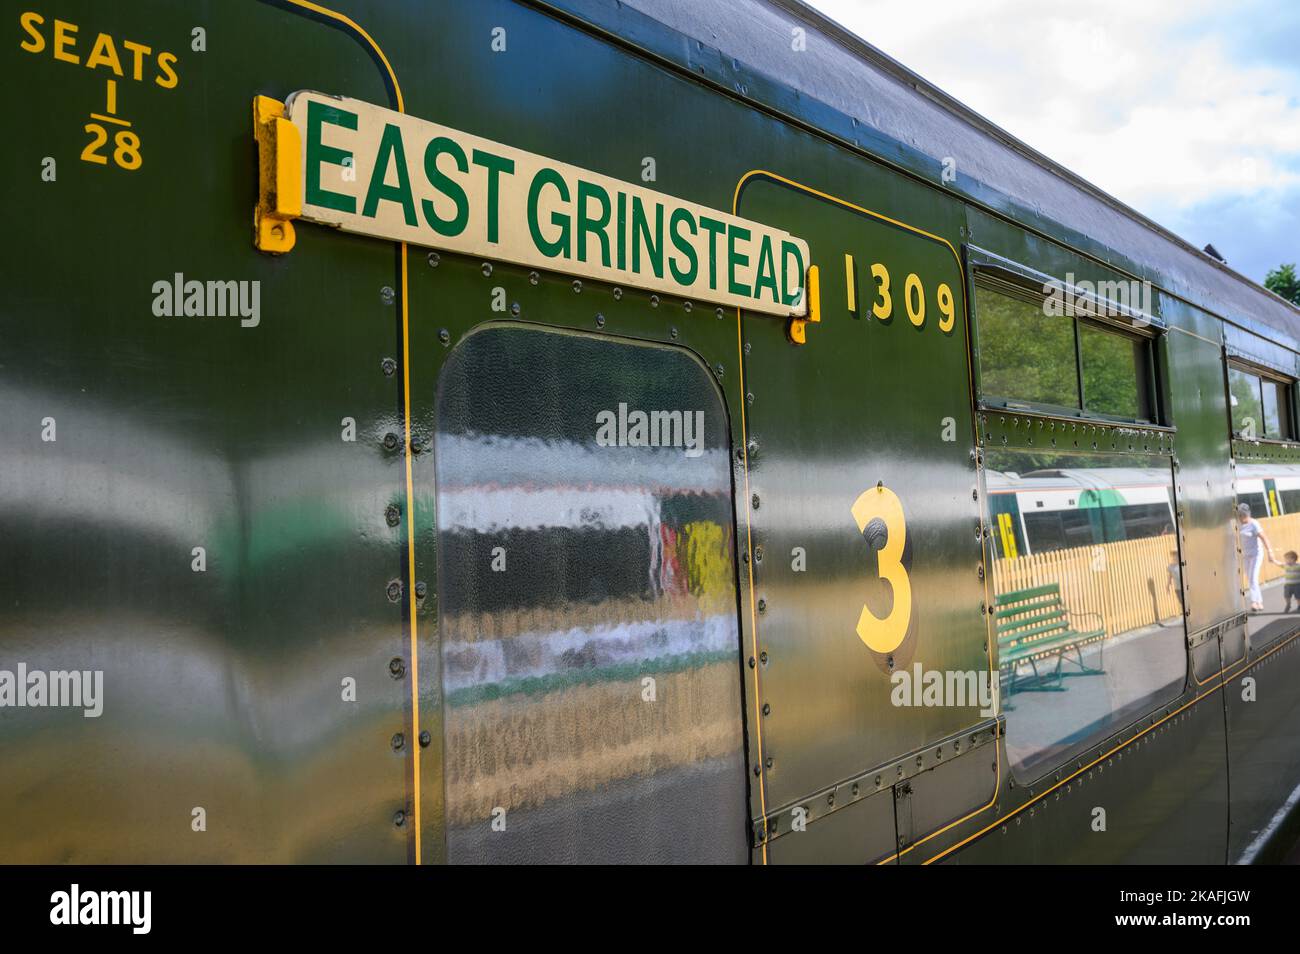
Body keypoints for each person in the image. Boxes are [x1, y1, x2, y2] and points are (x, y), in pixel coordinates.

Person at [1237, 502, 1276, 612]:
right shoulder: (1238, 524)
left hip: (1256, 554)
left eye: (1242, 515)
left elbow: (1264, 538)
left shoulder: (1254, 524)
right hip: (1245, 555)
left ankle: (1254, 602)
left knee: (1253, 577)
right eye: (1239, 515)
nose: (1241, 517)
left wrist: (1270, 552)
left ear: (1246, 514)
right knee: (1250, 578)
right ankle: (1259, 602)